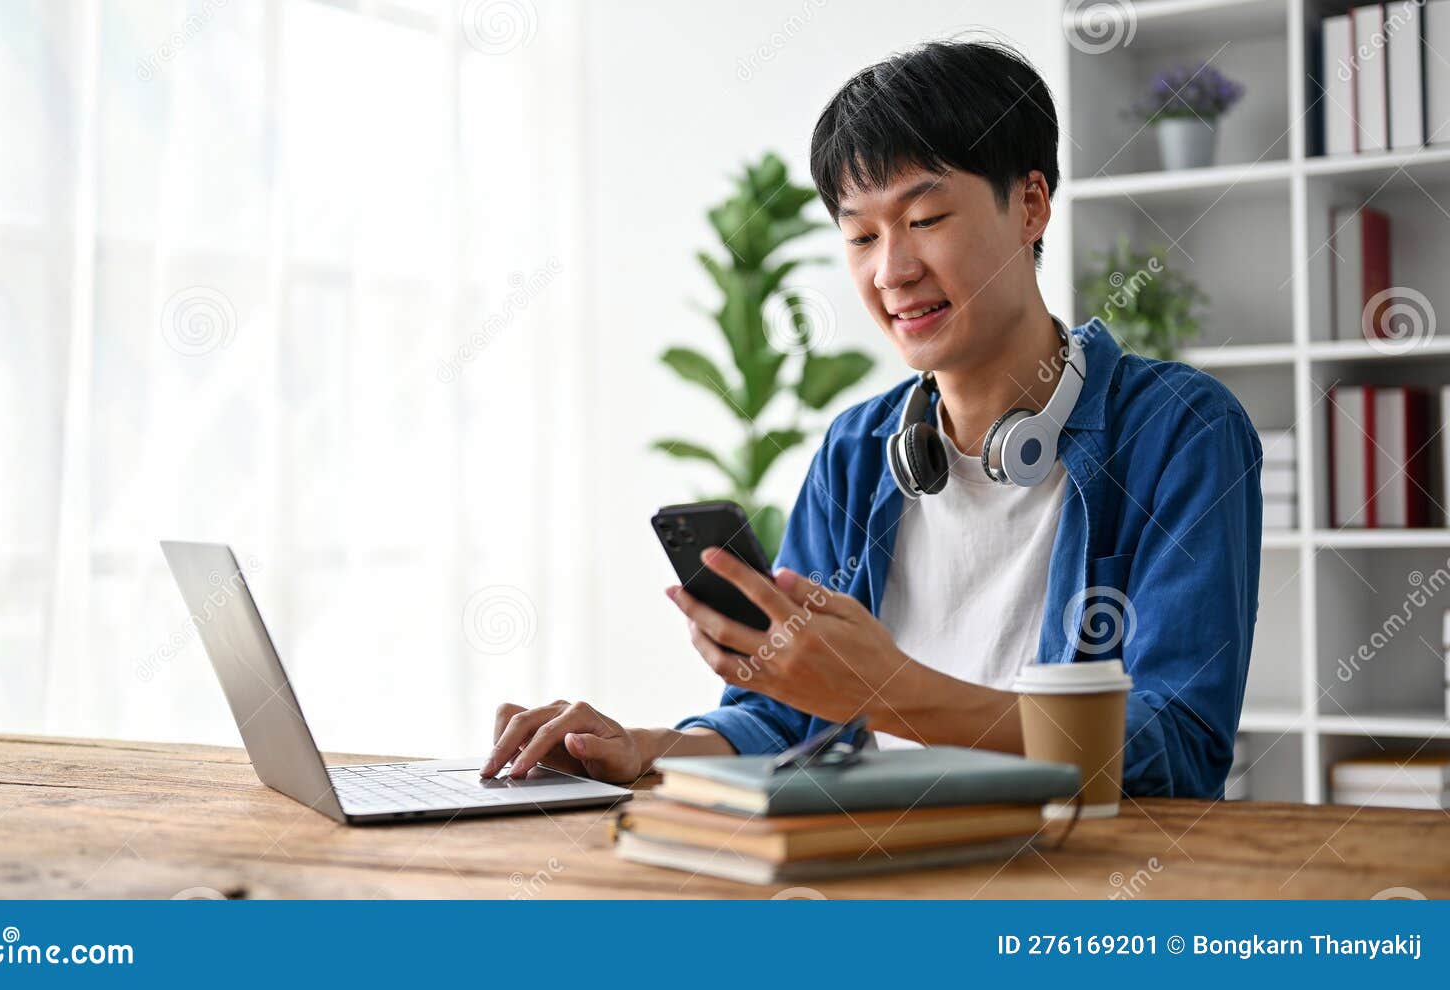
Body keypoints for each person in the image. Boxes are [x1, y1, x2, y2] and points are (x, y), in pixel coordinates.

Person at [480, 40, 1261, 799]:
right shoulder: (857, 450)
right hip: (876, 860)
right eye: (860, 235)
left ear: (1030, 205)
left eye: (925, 218)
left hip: (1077, 871)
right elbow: (781, 721)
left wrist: (890, 692)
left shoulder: (1182, 431)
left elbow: (1176, 746)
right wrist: (648, 749)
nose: (892, 270)